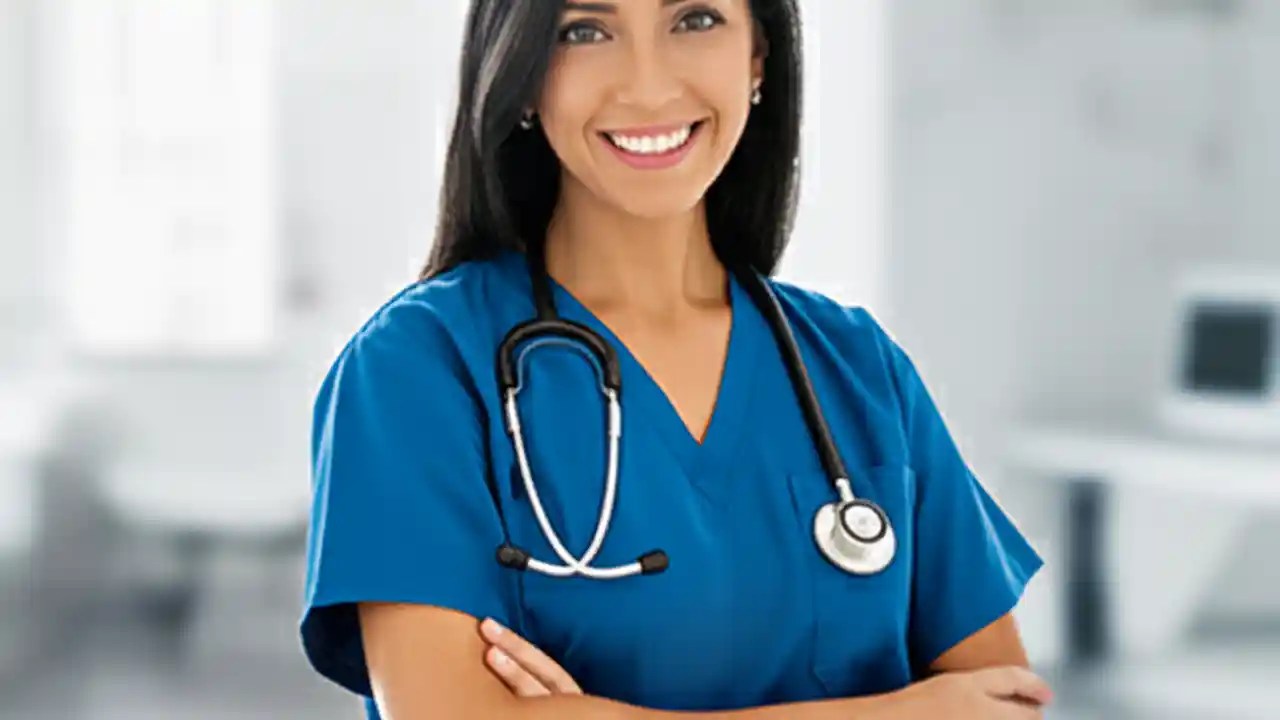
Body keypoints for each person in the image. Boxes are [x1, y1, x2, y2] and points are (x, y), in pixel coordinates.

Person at [300, 1, 1054, 718]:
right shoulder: (418, 370)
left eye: (696, 20)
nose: (649, 83)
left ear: (758, 56)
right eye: (585, 31)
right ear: (522, 74)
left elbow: (1006, 704)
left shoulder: (856, 367)